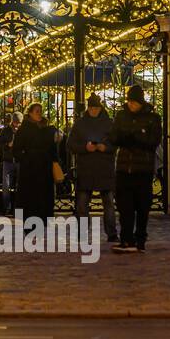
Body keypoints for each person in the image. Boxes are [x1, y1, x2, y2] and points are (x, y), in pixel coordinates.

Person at [110, 85, 163, 253]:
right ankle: (127, 239)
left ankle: (140, 239)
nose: (131, 105)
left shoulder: (153, 118)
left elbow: (153, 141)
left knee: (142, 206)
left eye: (134, 102)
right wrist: (126, 138)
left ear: (141, 102)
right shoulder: (121, 116)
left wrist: (138, 138)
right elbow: (113, 136)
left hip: (143, 169)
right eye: (129, 101)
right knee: (125, 206)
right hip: (124, 168)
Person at [67, 93, 118, 243]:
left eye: (96, 108)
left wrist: (105, 147)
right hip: (87, 168)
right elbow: (70, 145)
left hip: (104, 168)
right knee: (82, 204)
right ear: (88, 109)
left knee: (108, 203)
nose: (94, 111)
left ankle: (112, 233)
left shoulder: (109, 123)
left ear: (100, 108)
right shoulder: (80, 124)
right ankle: (82, 233)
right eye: (92, 108)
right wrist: (85, 147)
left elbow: (115, 143)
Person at [13, 102, 57, 222]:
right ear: (30, 113)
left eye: (40, 111)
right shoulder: (24, 129)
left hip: (44, 166)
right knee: (30, 195)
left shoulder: (46, 128)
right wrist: (25, 159)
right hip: (30, 167)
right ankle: (30, 218)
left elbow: (52, 146)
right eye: (37, 111)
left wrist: (54, 159)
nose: (39, 114)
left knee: (44, 194)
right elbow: (16, 149)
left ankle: (44, 217)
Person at [0, 113, 21, 214]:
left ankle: (17, 208)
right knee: (6, 185)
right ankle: (6, 207)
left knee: (19, 185)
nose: (17, 125)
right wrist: (8, 145)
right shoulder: (5, 130)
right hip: (8, 160)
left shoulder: (22, 131)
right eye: (15, 122)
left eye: (18, 123)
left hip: (19, 160)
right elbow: (0, 144)